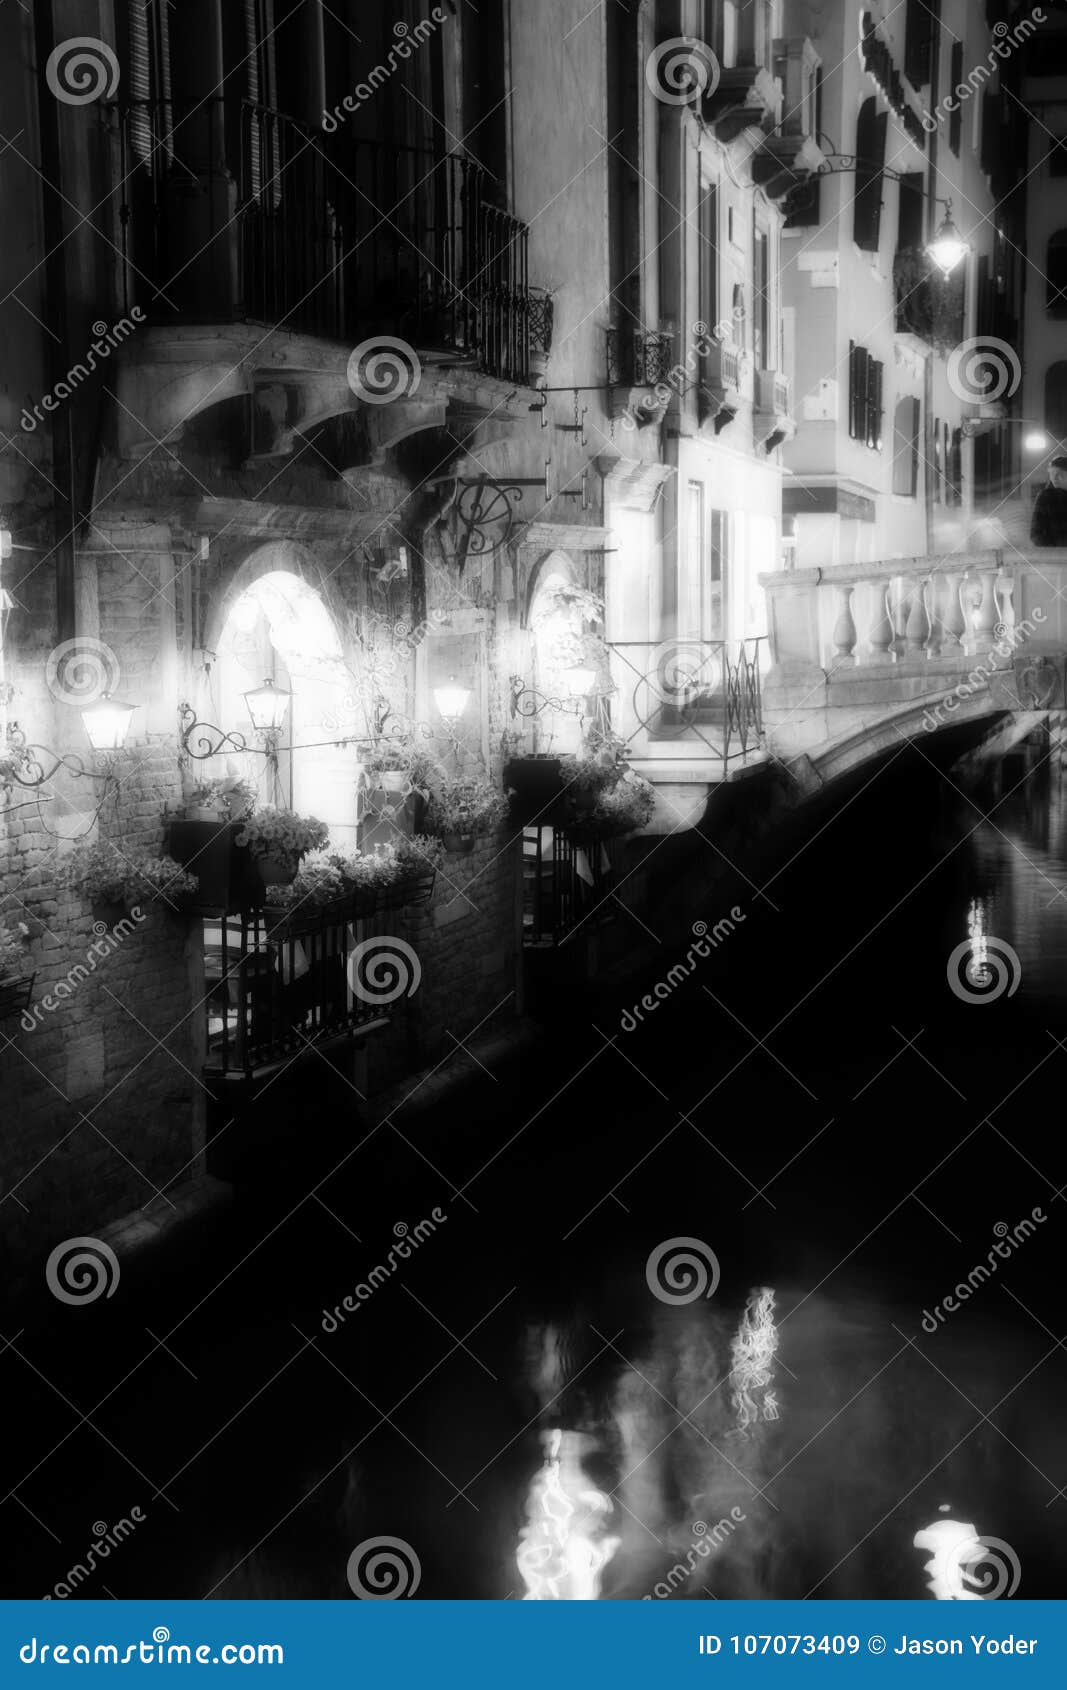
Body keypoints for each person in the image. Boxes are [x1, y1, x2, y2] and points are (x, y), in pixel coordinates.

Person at [1030, 457, 1067, 546]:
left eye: (1059, 474)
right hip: (1054, 555)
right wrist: (1054, 552)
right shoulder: (1045, 497)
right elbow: (1036, 534)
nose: (1054, 478)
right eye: (1051, 474)